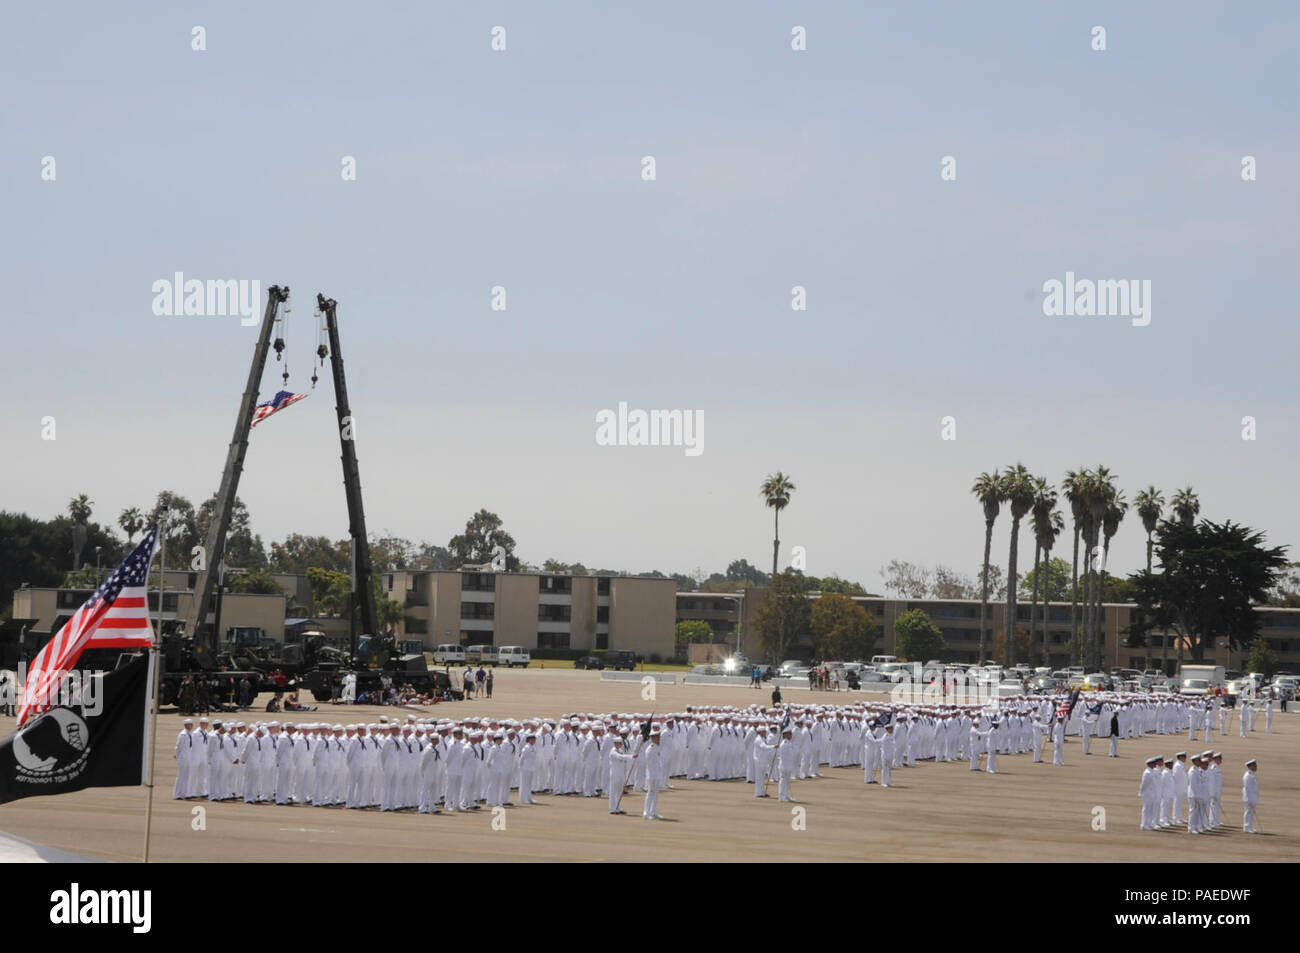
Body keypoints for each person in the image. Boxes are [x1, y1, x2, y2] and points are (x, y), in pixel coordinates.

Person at [1242, 758, 1259, 833]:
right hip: (1249, 798)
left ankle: (1250, 827)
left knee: (1251, 812)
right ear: (1250, 766)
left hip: (1253, 797)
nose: (1256, 767)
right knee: (1248, 812)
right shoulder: (1247, 776)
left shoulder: (1252, 775)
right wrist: (1249, 799)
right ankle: (1246, 827)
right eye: (1254, 765)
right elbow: (1247, 789)